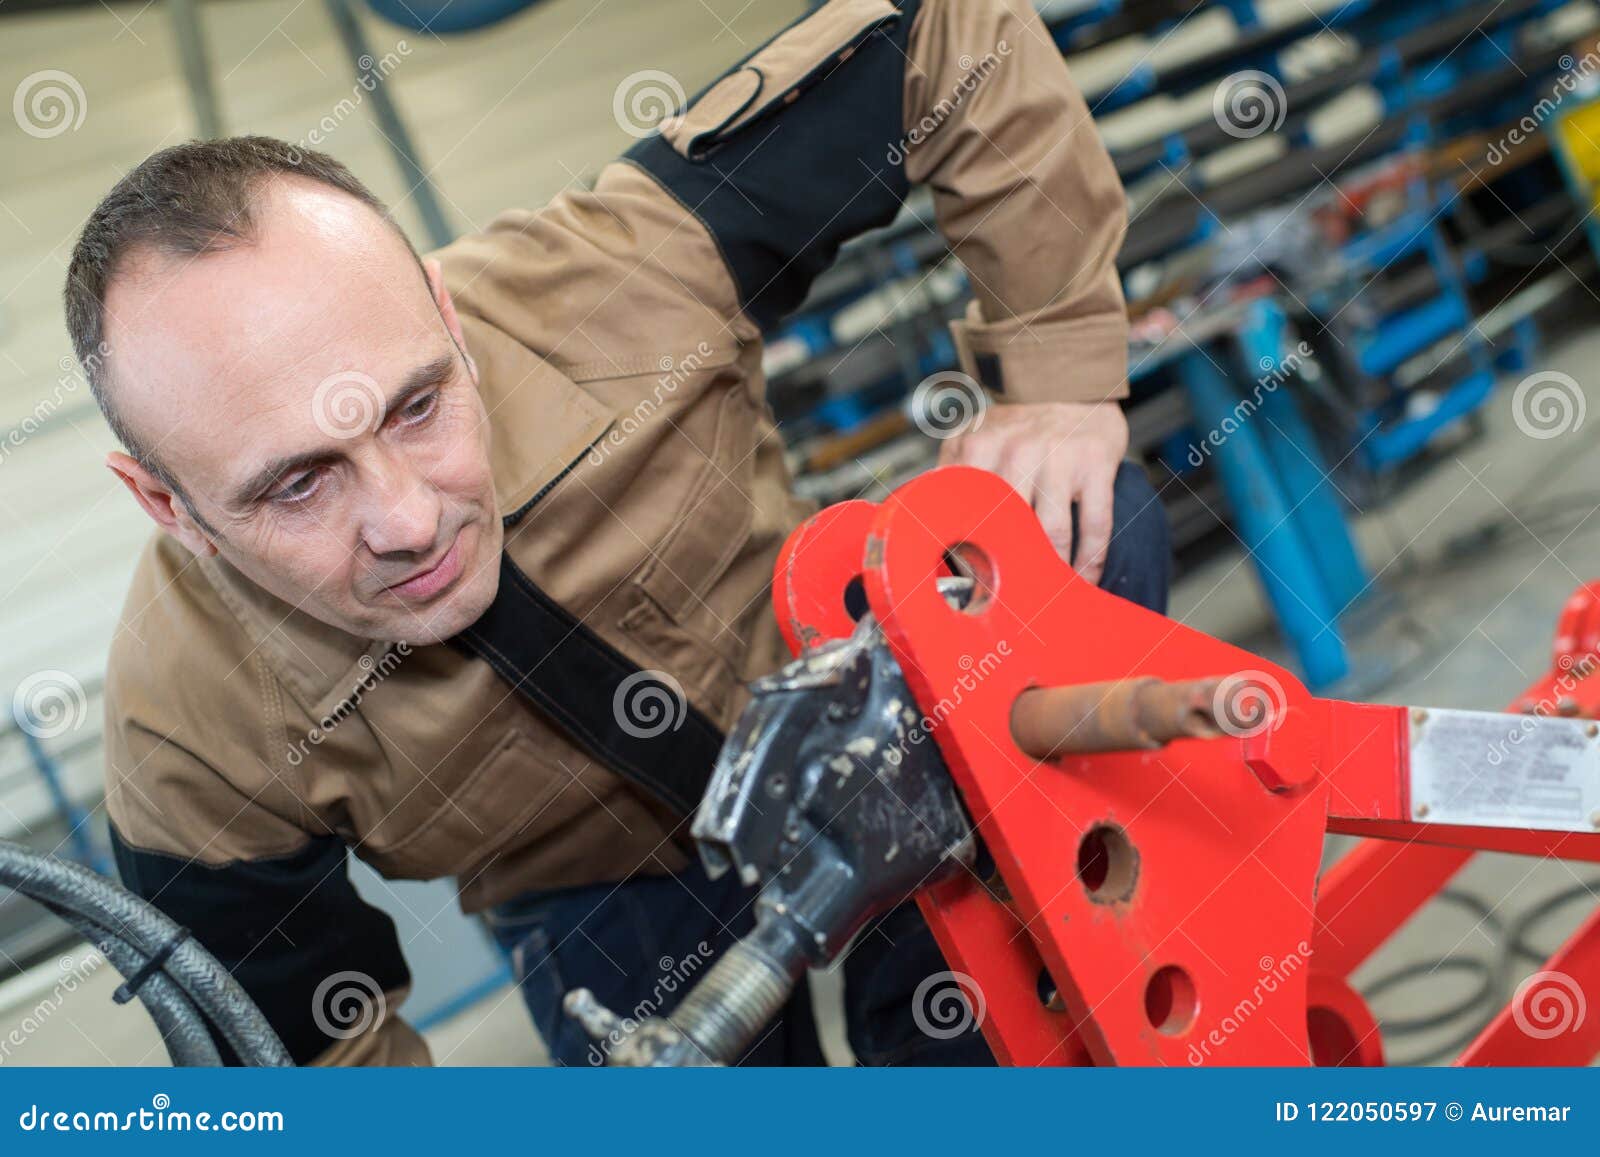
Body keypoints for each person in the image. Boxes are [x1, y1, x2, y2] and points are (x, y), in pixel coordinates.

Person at [68, 0, 1168, 1066]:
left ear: (446, 315)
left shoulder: (615, 278)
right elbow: (311, 1066)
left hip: (862, 719)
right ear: (168, 505)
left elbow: (946, 31)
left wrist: (1059, 366)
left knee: (1085, 526)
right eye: (299, 485)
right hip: (600, 893)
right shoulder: (185, 745)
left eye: (419, 405)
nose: (408, 521)